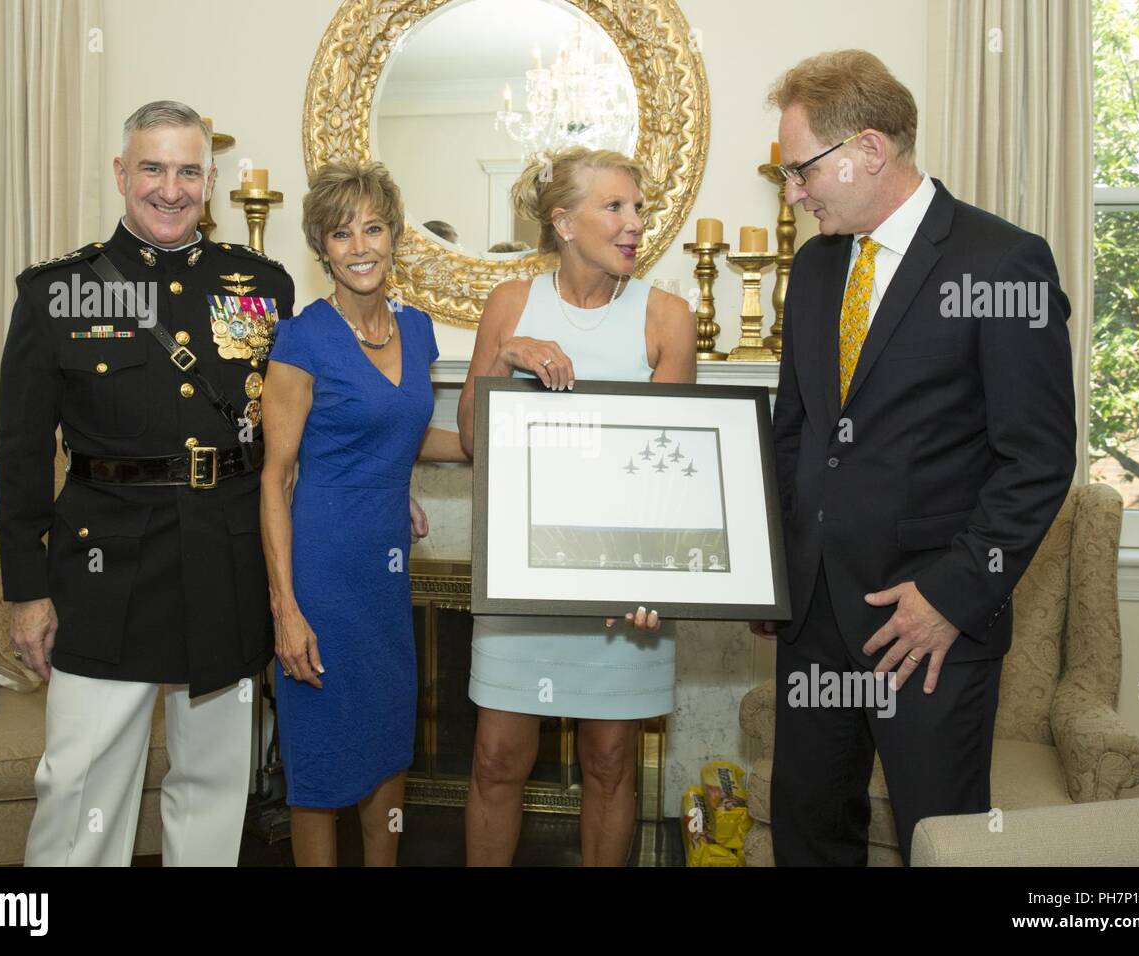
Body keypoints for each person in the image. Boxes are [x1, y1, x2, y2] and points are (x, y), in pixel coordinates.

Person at [757, 50, 1076, 864]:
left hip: (925, 627)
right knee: (809, 833)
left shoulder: (1003, 264)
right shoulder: (819, 265)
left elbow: (1036, 461)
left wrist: (951, 596)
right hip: (815, 622)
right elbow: (795, 432)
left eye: (800, 171)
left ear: (868, 149)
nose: (793, 192)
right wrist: (773, 568)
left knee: (943, 843)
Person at [0, 100, 295, 866]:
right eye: (153, 168)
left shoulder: (261, 287)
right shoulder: (56, 293)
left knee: (215, 783)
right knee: (80, 788)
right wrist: (27, 591)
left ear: (212, 181)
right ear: (123, 174)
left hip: (224, 560)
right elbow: (23, 454)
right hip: (105, 568)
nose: (171, 188)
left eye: (188, 170)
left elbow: (291, 433)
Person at [456, 146, 696, 866]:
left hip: (619, 588)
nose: (635, 224)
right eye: (614, 207)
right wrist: (507, 355)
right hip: (522, 577)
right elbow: (473, 440)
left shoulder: (667, 317)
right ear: (563, 221)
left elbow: (671, 473)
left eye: (639, 208)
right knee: (497, 758)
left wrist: (652, 578)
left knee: (610, 762)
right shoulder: (510, 304)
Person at [261, 160, 466, 867]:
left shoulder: (419, 329)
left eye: (372, 227)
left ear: (394, 235)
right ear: (321, 246)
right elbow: (276, 475)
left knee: (386, 751)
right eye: (340, 232)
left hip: (383, 579)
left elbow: (402, 432)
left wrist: (504, 438)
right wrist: (285, 608)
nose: (359, 246)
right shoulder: (302, 338)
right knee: (319, 770)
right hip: (320, 573)